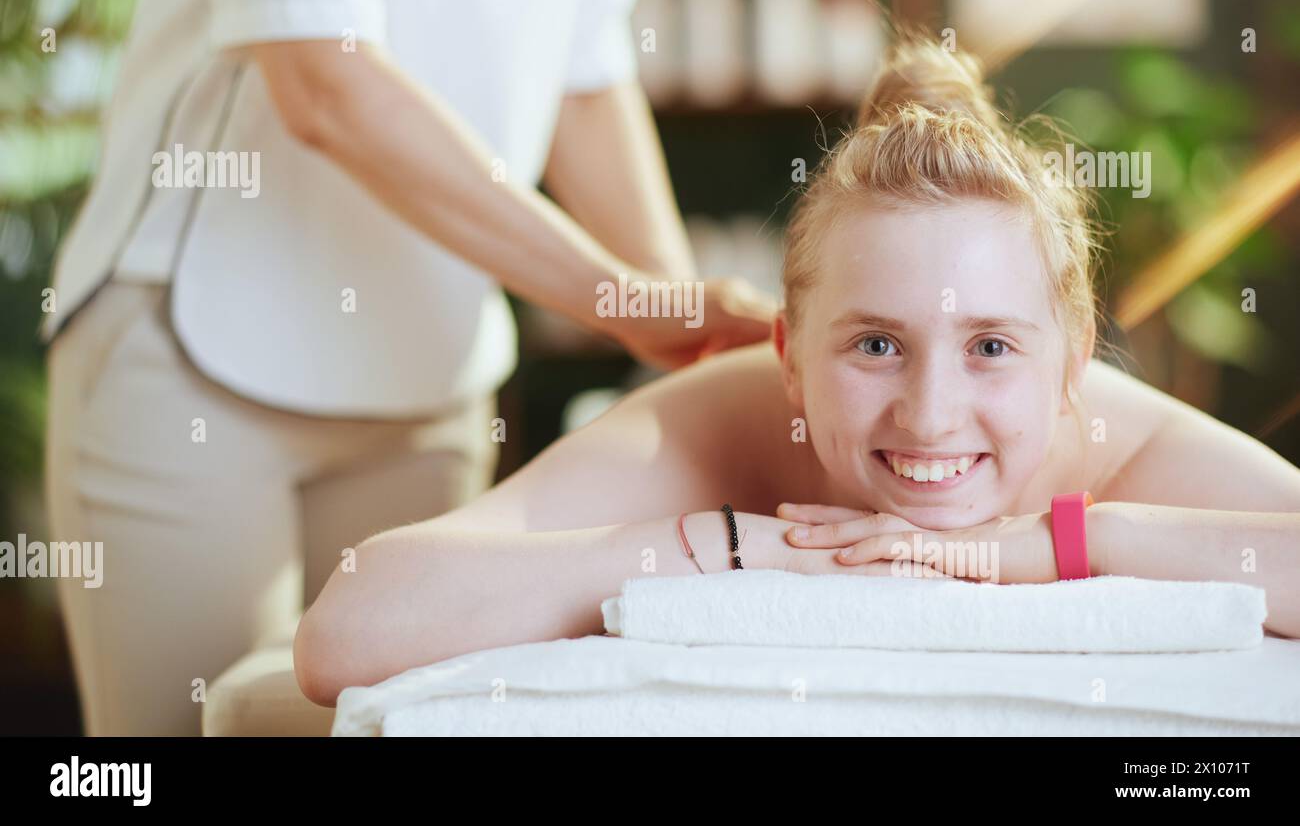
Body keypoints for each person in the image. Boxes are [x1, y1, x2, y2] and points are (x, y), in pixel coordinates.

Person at [294, 36, 1300, 705]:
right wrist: (743, 545)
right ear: (787, 357)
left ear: (1071, 360)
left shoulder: (1125, 444)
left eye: (991, 346)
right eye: (874, 344)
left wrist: (1055, 543)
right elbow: (348, 627)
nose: (932, 413)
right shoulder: (710, 423)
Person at [43, 0, 772, 735]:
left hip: (426, 370)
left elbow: (585, 82)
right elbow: (324, 83)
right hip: (190, 349)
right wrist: (624, 300)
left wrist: (688, 332)